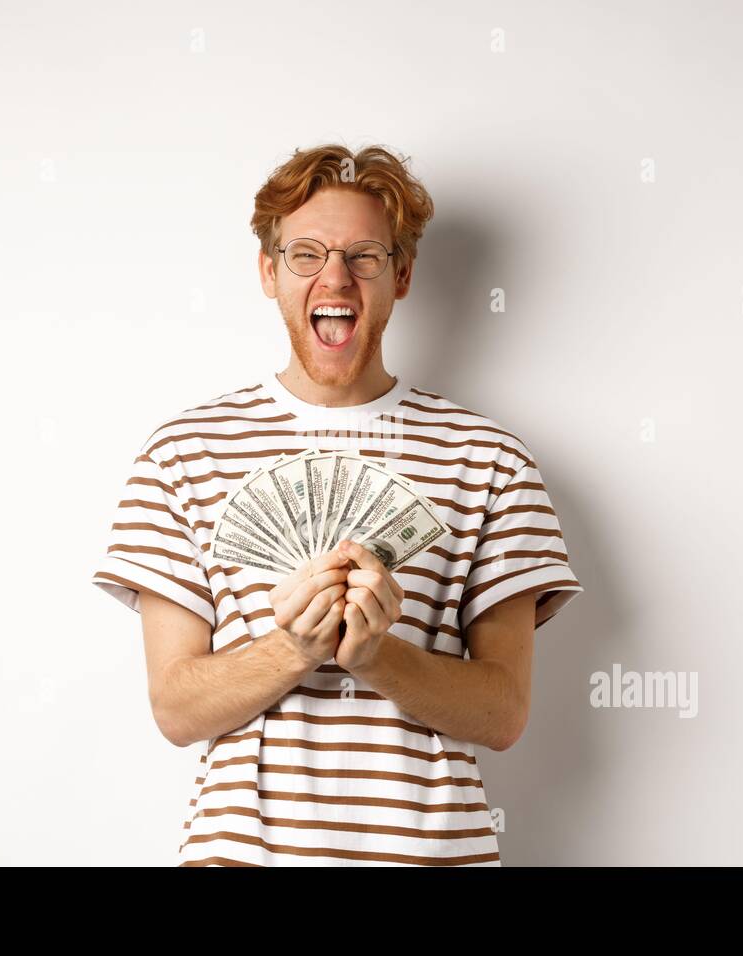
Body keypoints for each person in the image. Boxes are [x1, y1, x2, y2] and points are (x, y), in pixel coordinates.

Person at [91, 143, 584, 866]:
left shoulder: (492, 460)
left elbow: (503, 713)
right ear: (269, 271)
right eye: (306, 254)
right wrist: (296, 647)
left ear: (402, 275)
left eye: (364, 257)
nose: (336, 278)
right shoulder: (181, 453)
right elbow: (176, 708)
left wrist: (375, 655)